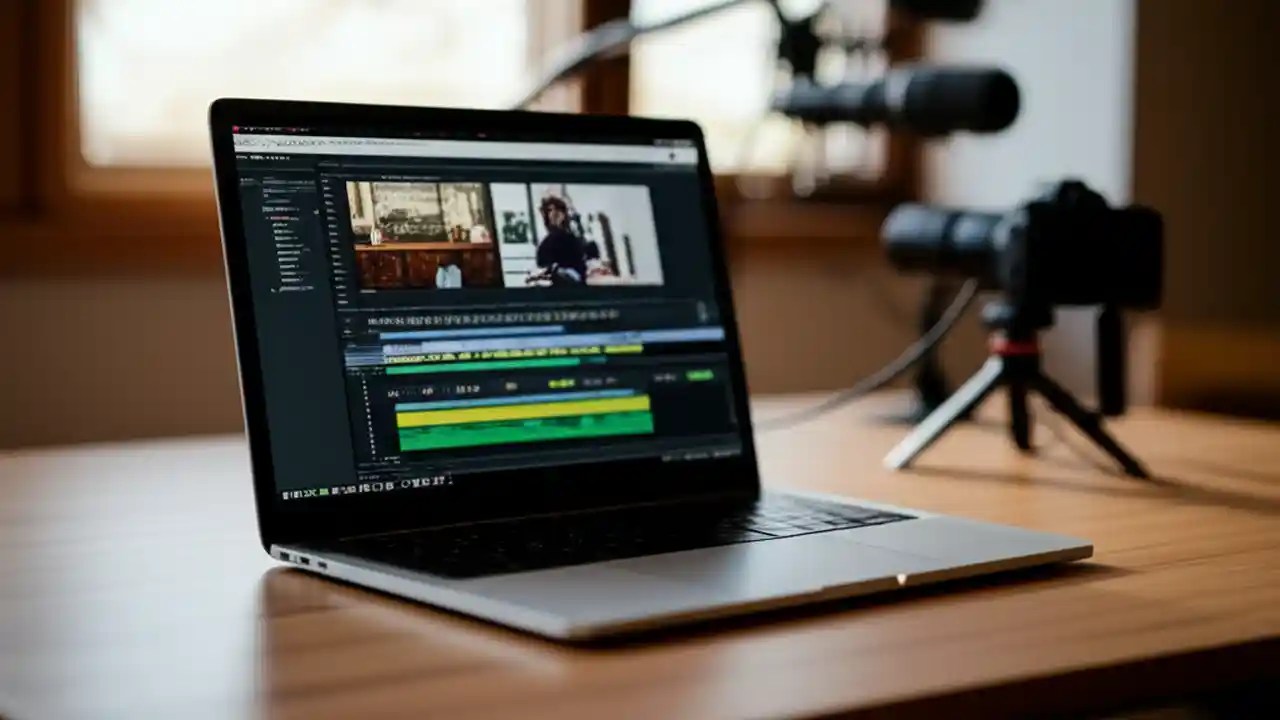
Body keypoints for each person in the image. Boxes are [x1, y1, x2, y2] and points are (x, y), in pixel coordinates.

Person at [534, 196, 587, 285]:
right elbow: (542, 266)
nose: (554, 214)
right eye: (550, 210)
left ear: (564, 214)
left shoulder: (573, 239)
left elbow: (581, 267)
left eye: (558, 210)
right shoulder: (545, 244)